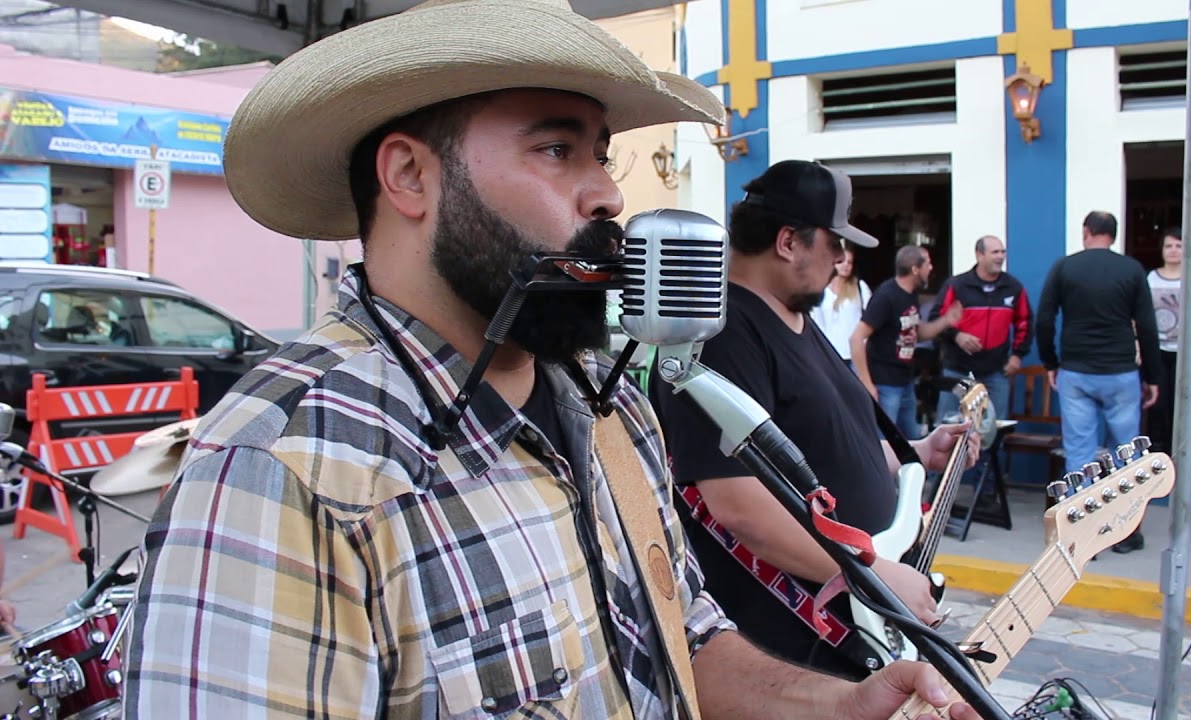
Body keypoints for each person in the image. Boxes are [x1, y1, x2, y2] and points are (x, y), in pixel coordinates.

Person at [121, 3, 980, 719]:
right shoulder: (281, 471)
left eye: (599, 154)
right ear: (410, 177)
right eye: (556, 149)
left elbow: (684, 642)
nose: (609, 193)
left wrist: (843, 705)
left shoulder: (612, 407)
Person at [650, 159, 980, 681]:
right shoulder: (724, 335)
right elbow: (738, 503)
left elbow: (827, 450)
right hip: (794, 644)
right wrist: (873, 576)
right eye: (834, 243)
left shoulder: (795, 318)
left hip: (855, 624)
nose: (842, 259)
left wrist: (917, 451)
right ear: (788, 242)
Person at [1037, 211, 1162, 554]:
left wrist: (1051, 362)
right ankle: (1125, 532)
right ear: (1113, 235)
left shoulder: (1064, 267)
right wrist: (1153, 376)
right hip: (1121, 372)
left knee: (1079, 454)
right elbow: (1147, 327)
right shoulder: (1132, 270)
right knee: (1127, 455)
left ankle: (1081, 534)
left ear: (1086, 231)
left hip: (1076, 371)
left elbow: (1044, 319)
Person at [852, 246, 962, 439]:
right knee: (884, 442)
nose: (931, 268)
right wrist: (866, 383)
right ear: (915, 269)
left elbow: (916, 333)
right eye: (927, 263)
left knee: (911, 440)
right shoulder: (886, 296)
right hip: (885, 384)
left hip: (905, 382)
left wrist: (946, 321)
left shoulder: (910, 295)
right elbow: (856, 338)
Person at [929, 235, 1033, 423]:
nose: (1000, 257)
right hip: (958, 370)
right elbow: (936, 319)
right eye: (995, 252)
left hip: (996, 372)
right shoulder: (957, 285)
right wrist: (957, 336)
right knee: (948, 426)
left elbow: (1025, 322)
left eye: (1002, 252)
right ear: (979, 255)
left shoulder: (1013, 287)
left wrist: (1017, 355)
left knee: (993, 429)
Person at [1146, 227, 1191, 458]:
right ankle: (1157, 453)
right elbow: (1138, 316)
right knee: (1158, 403)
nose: (1173, 250)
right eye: (1169, 246)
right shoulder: (1149, 278)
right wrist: (1137, 345)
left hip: (1187, 352)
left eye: (1179, 246)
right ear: (1161, 250)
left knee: (1189, 403)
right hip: (1157, 351)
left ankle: (1187, 454)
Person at [811, 245, 872, 374]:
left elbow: (870, 318)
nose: (846, 265)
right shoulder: (819, 288)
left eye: (850, 262)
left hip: (853, 355)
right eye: (841, 261)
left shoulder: (860, 287)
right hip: (826, 355)